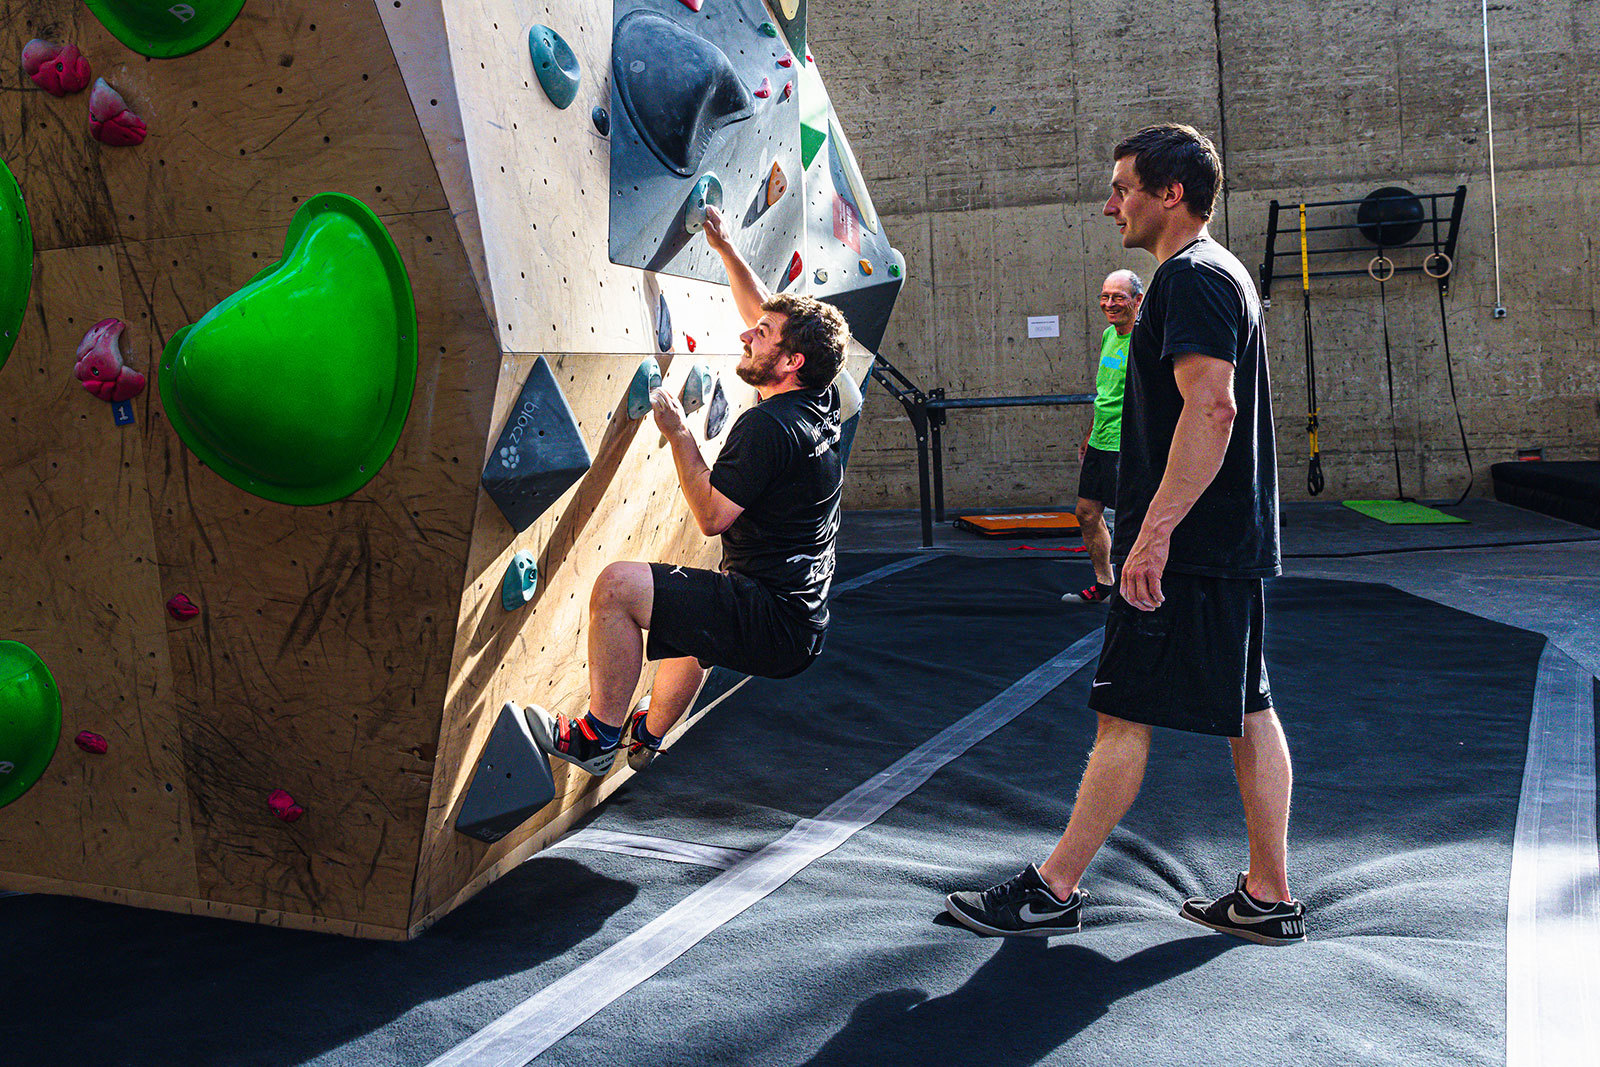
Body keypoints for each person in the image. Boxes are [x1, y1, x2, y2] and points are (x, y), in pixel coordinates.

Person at [946, 124, 1305, 945]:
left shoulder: (1190, 280)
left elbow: (1213, 410)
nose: (1111, 205)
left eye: (1123, 188)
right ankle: (1267, 895)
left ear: (1169, 193)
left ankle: (1055, 887)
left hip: (1190, 547)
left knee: (1121, 713)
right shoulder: (1218, 276)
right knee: (1248, 709)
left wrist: (1150, 538)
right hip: (1220, 543)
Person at [521, 204, 850, 777]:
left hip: (771, 615)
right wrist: (725, 250)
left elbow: (712, 516)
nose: (747, 335)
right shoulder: (819, 398)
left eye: (762, 337)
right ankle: (646, 739)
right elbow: (763, 312)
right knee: (689, 621)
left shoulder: (769, 427)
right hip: (801, 617)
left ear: (790, 363)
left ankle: (596, 738)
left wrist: (677, 433)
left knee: (619, 588)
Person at [1064, 269, 1143, 604]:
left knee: (1132, 522)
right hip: (1102, 439)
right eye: (1105, 297)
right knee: (1086, 512)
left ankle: (1138, 590)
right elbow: (1106, 391)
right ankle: (1105, 584)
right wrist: (1091, 432)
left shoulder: (1145, 341)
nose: (1110, 304)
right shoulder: (1110, 335)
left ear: (1137, 300)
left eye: (1118, 297)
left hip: (1130, 443)